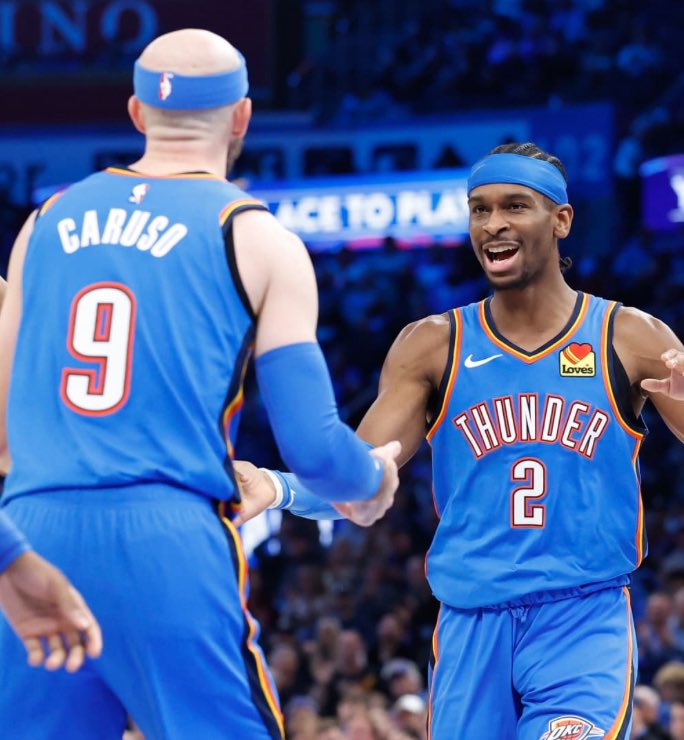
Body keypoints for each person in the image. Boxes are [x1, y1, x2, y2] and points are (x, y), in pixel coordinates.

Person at [0, 29, 400, 740]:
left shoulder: (43, 223)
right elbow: (313, 448)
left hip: (30, 531)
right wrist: (369, 481)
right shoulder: (258, 238)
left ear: (136, 111)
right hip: (165, 540)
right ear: (242, 116)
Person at [236, 142, 684, 738]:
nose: (493, 223)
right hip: (470, 628)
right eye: (479, 209)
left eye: (515, 206)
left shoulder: (629, 336)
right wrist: (274, 486)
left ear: (561, 220)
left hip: (582, 622)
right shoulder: (431, 345)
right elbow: (362, 478)